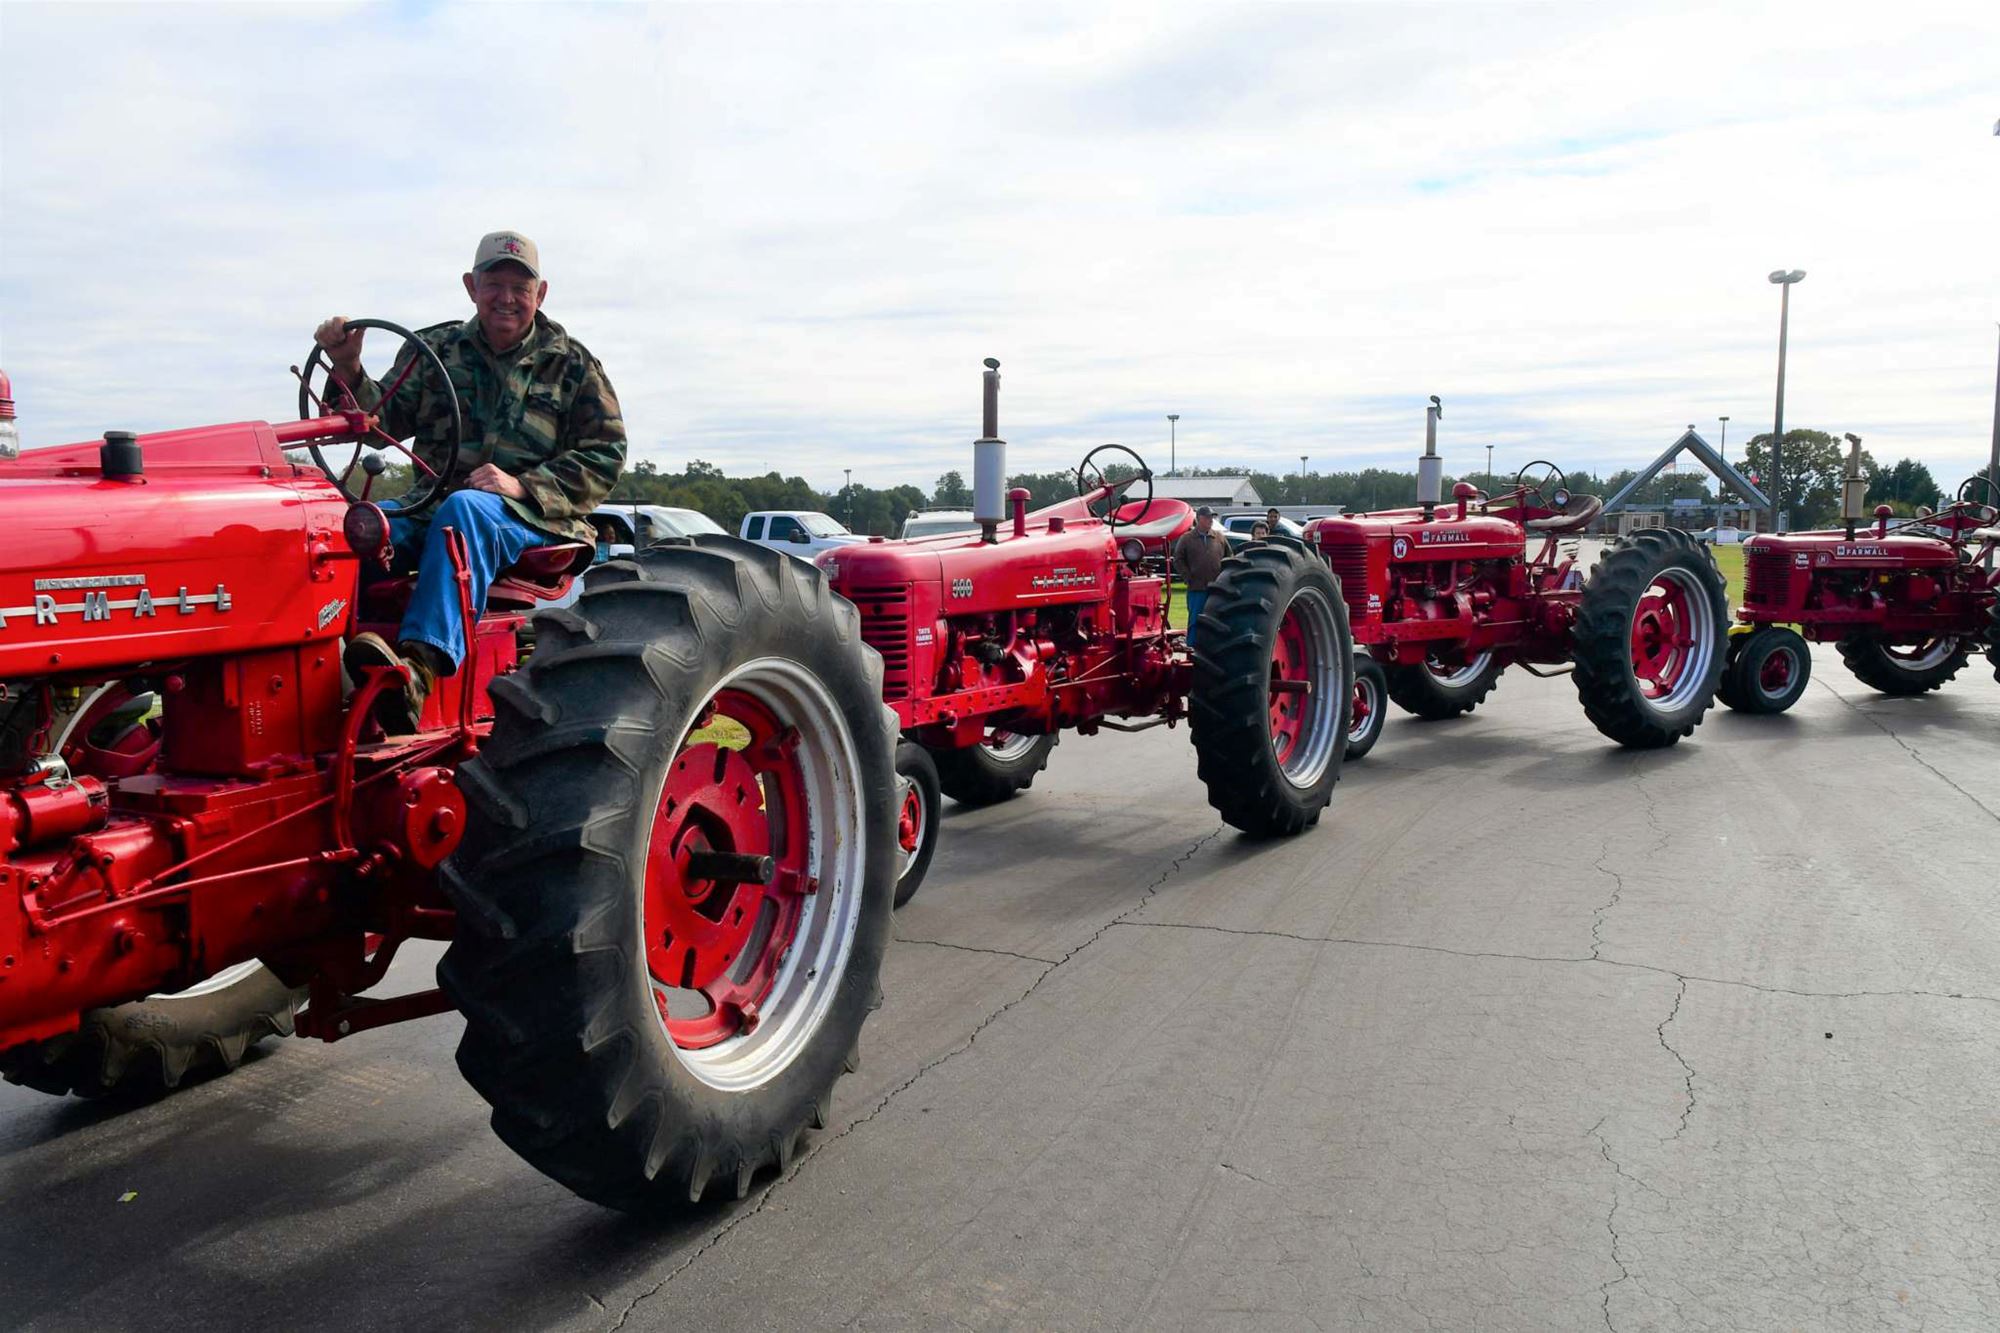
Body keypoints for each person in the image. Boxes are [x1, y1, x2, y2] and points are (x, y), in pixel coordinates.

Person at [314, 230, 627, 731]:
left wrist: (524, 485)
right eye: (494, 284)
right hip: (432, 503)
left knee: (465, 510)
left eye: (519, 288)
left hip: (535, 517)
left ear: (540, 294)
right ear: (471, 286)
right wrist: (348, 365)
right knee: (356, 526)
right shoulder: (436, 349)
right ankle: (329, 666)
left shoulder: (571, 365)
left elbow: (606, 454)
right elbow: (381, 423)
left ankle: (416, 671)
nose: (506, 298)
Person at [1172, 505, 1229, 648]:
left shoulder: (1219, 537)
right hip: (1196, 588)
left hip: (1217, 589)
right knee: (1195, 621)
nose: (1211, 520)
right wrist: (1187, 576)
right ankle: (1192, 649)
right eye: (1208, 517)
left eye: (1212, 517)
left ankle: (1213, 648)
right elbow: (1178, 559)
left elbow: (1230, 557)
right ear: (1199, 519)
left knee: (1216, 620)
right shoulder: (1187, 538)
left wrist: (1225, 578)